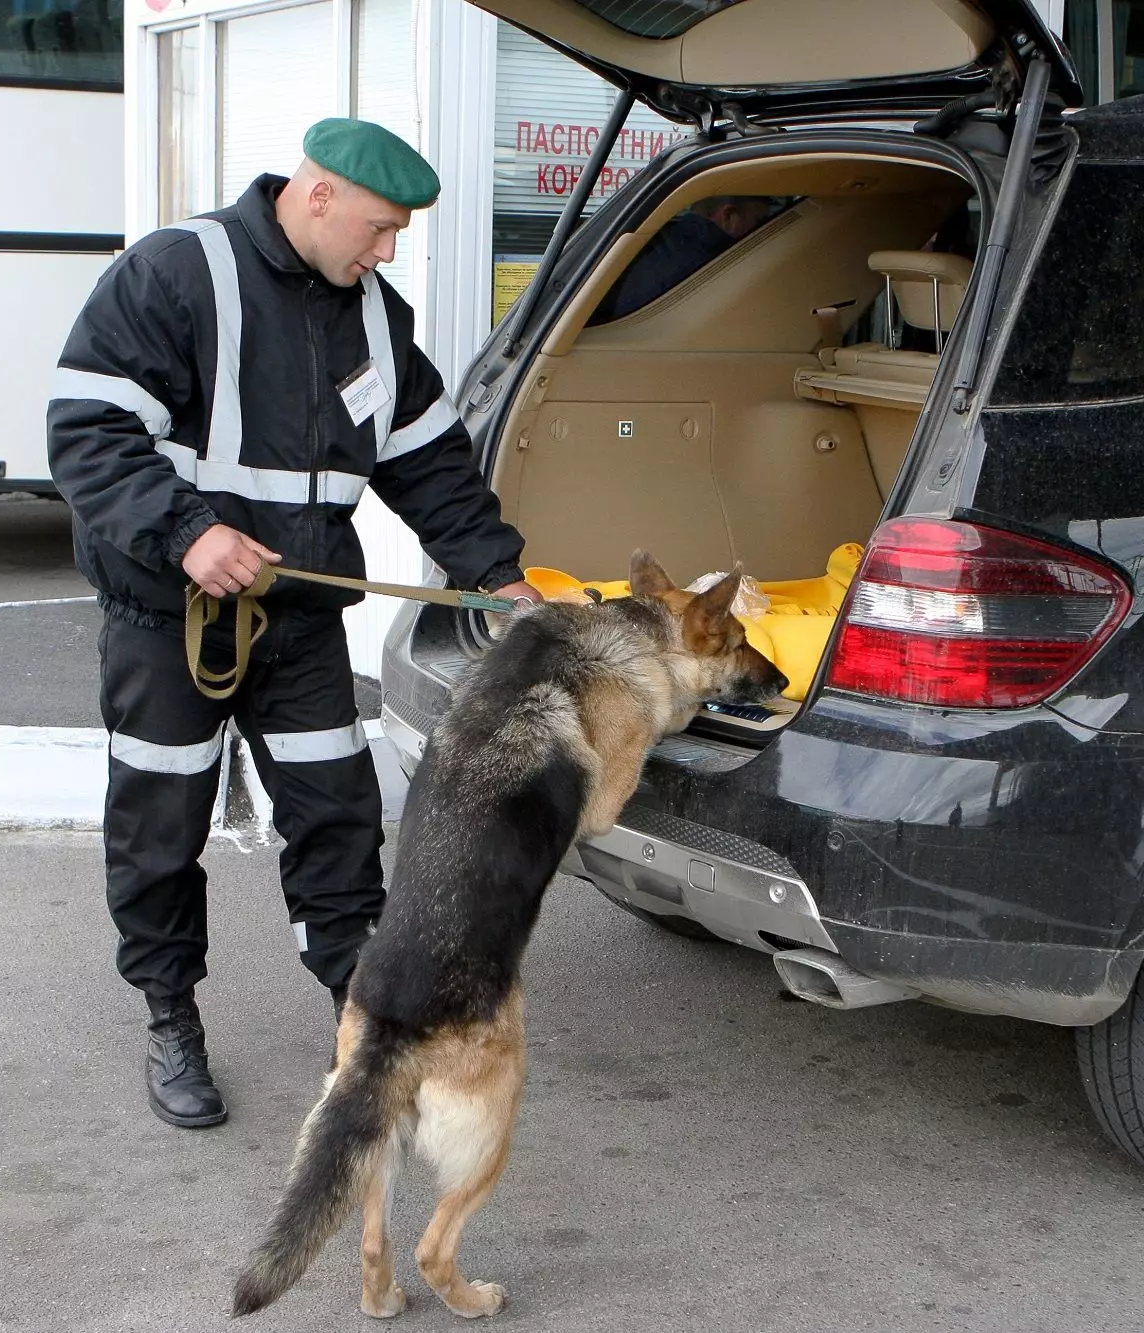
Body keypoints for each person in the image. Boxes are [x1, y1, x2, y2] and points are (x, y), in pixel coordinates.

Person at [47, 118, 541, 1130]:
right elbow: (86, 430)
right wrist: (187, 532)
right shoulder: (178, 272)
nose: (387, 251)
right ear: (315, 196)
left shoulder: (374, 316)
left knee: (337, 820)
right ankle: (169, 1018)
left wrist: (499, 574)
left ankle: (359, 1027)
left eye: (396, 234)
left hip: (300, 622)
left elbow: (430, 465)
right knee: (159, 828)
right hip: (166, 614)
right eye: (378, 227)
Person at [588, 195, 778, 323]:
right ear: (728, 216)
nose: (763, 230)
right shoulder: (711, 265)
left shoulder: (665, 246)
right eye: (759, 221)